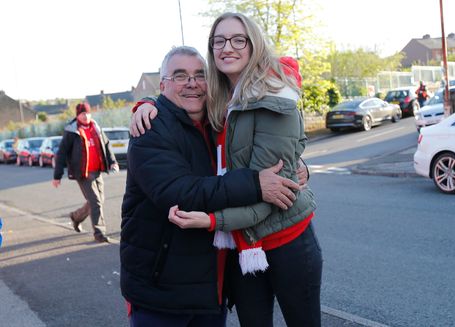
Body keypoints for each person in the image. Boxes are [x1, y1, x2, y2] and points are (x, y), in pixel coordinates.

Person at [132, 12, 321, 327]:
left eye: (237, 40)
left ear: (253, 45)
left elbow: (268, 193)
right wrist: (148, 103)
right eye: (219, 41)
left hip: (285, 240)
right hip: (241, 245)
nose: (227, 48)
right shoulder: (217, 100)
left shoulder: (272, 96)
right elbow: (179, 95)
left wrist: (211, 221)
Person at [52, 102, 118, 243]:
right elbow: (62, 153)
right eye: (83, 114)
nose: (86, 116)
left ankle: (76, 217)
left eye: (88, 113)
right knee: (96, 202)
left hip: (98, 170)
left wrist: (112, 161)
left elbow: (106, 144)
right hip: (83, 173)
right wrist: (57, 175)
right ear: (77, 115)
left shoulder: (96, 127)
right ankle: (99, 233)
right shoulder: (72, 131)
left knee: (98, 201)